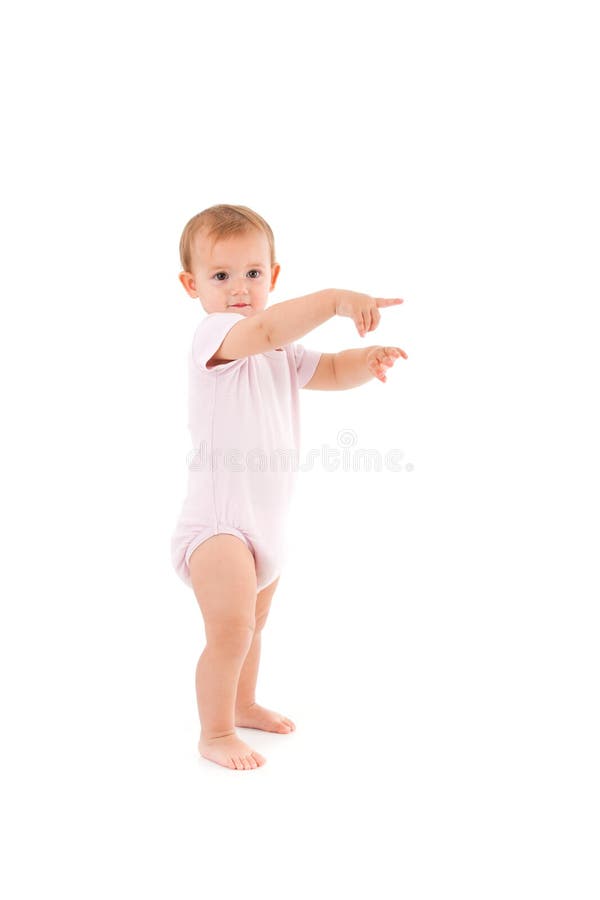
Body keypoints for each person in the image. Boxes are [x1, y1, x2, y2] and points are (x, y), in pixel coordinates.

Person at [170, 204, 408, 771]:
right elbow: (270, 327)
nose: (238, 290)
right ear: (192, 285)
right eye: (220, 276)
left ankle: (244, 702)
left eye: (253, 274)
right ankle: (216, 731)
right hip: (219, 524)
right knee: (230, 628)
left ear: (273, 277)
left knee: (254, 626)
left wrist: (365, 359)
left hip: (265, 525)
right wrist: (334, 300)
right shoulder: (219, 335)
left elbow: (325, 371)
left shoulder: (279, 349)